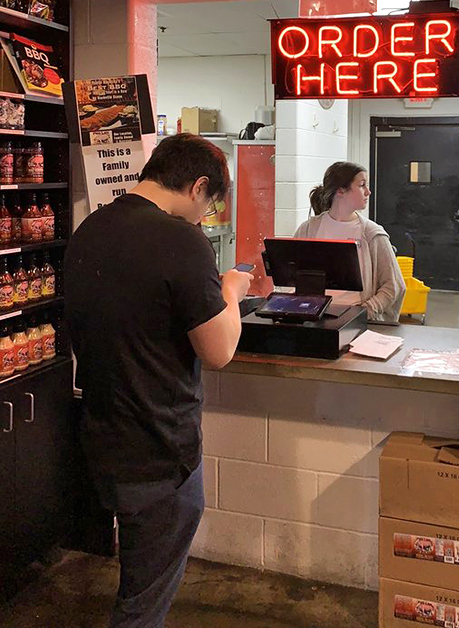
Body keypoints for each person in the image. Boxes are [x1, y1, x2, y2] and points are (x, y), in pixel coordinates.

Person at [64, 133, 253, 628]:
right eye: (208, 206)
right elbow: (219, 352)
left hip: (103, 440)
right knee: (143, 602)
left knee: (137, 576)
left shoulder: (91, 228)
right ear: (198, 187)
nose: (203, 218)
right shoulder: (180, 240)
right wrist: (231, 290)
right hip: (159, 450)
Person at [294, 161, 405, 321]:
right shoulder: (307, 229)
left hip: (356, 321)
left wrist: (365, 311)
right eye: (362, 185)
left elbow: (394, 286)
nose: (368, 191)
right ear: (341, 190)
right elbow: (293, 278)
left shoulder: (372, 234)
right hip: (313, 319)